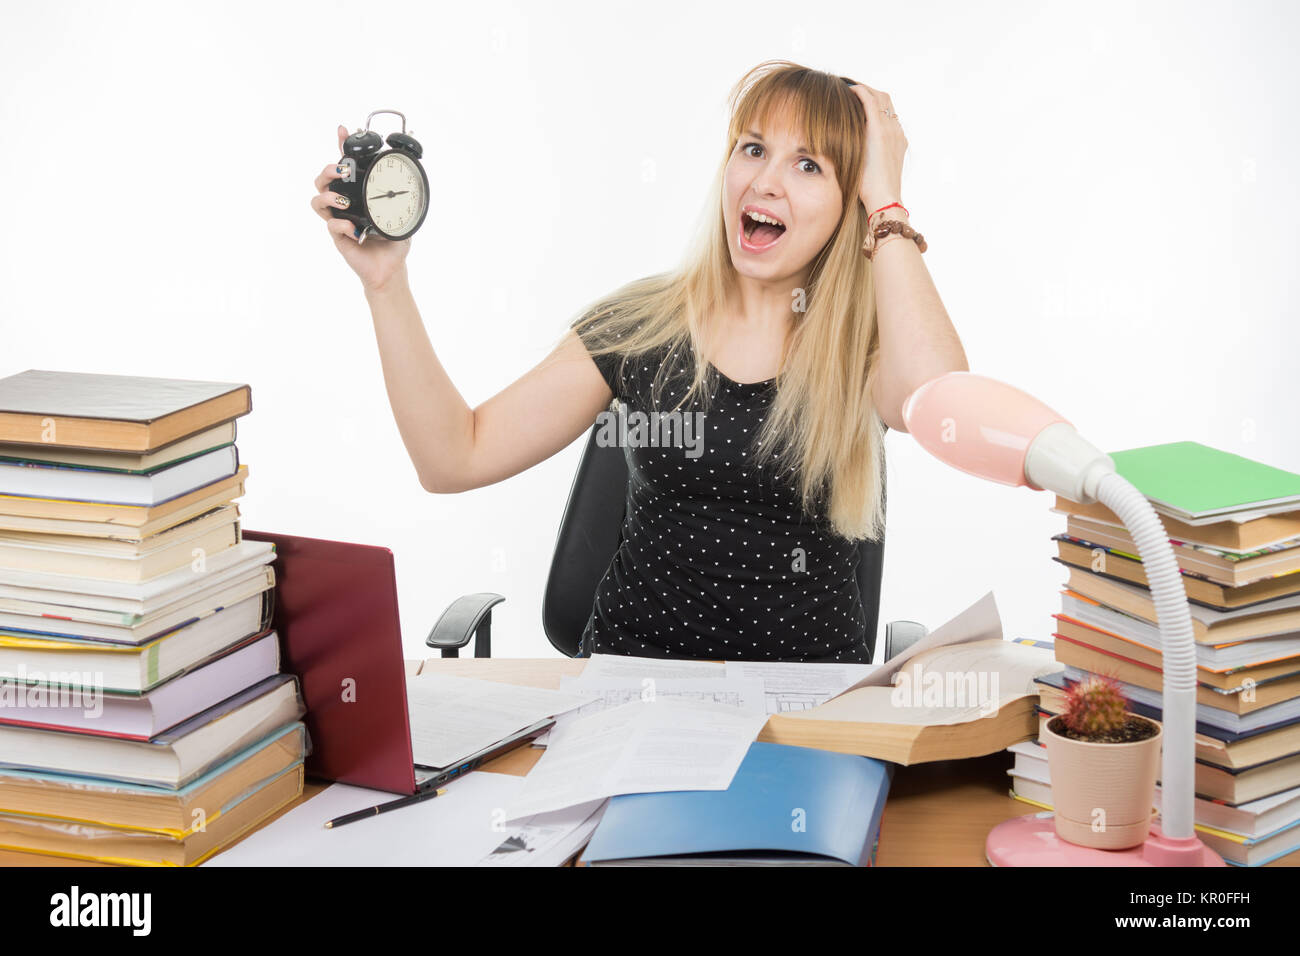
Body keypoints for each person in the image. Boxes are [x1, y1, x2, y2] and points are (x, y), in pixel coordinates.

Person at [310, 60, 968, 663]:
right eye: (754, 148)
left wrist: (885, 202)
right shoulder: (642, 325)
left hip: (806, 718)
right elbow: (453, 457)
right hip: (630, 698)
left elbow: (943, 405)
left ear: (848, 198)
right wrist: (384, 284)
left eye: (809, 166)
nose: (766, 181)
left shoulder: (871, 346)